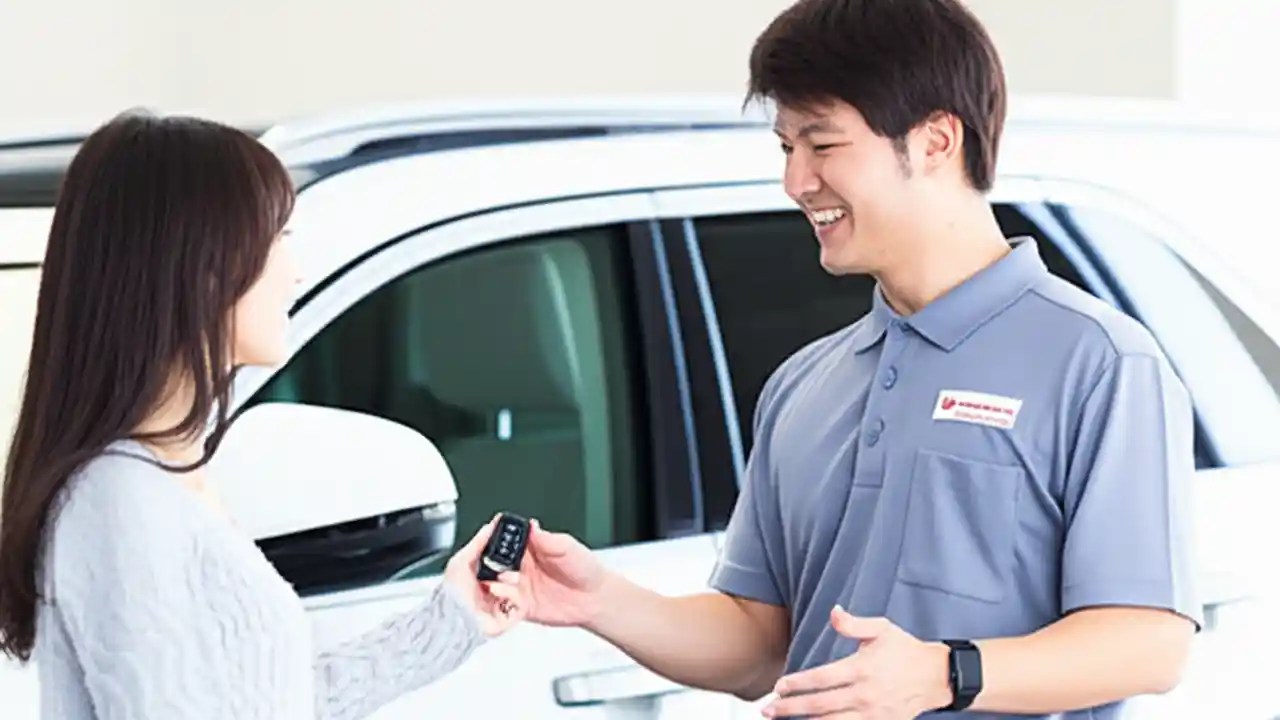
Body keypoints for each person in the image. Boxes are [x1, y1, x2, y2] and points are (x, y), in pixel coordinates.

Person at [514, 0, 1202, 718]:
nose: (796, 181)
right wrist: (600, 600)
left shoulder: (1101, 363)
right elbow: (760, 644)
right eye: (786, 148)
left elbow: (1147, 642)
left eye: (823, 144)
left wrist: (943, 674)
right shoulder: (803, 386)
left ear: (936, 140)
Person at [0, 111, 527, 720]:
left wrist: (452, 620)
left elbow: (267, 704)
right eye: (277, 237)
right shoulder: (120, 500)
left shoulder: (159, 480)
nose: (295, 271)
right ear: (199, 264)